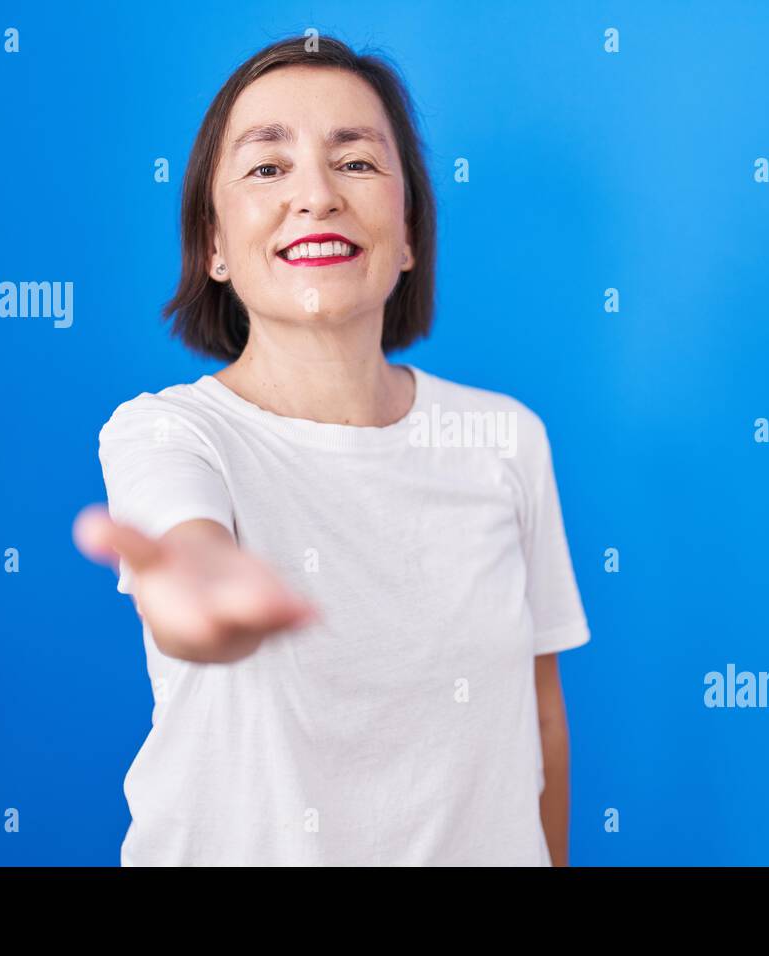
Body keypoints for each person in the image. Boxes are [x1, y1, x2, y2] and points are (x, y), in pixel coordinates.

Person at [72, 34, 591, 866]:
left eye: (354, 163)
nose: (315, 196)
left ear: (410, 231)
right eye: (268, 168)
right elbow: (186, 562)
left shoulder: (506, 437)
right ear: (212, 244)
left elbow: (539, 725)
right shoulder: (170, 433)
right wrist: (201, 600)